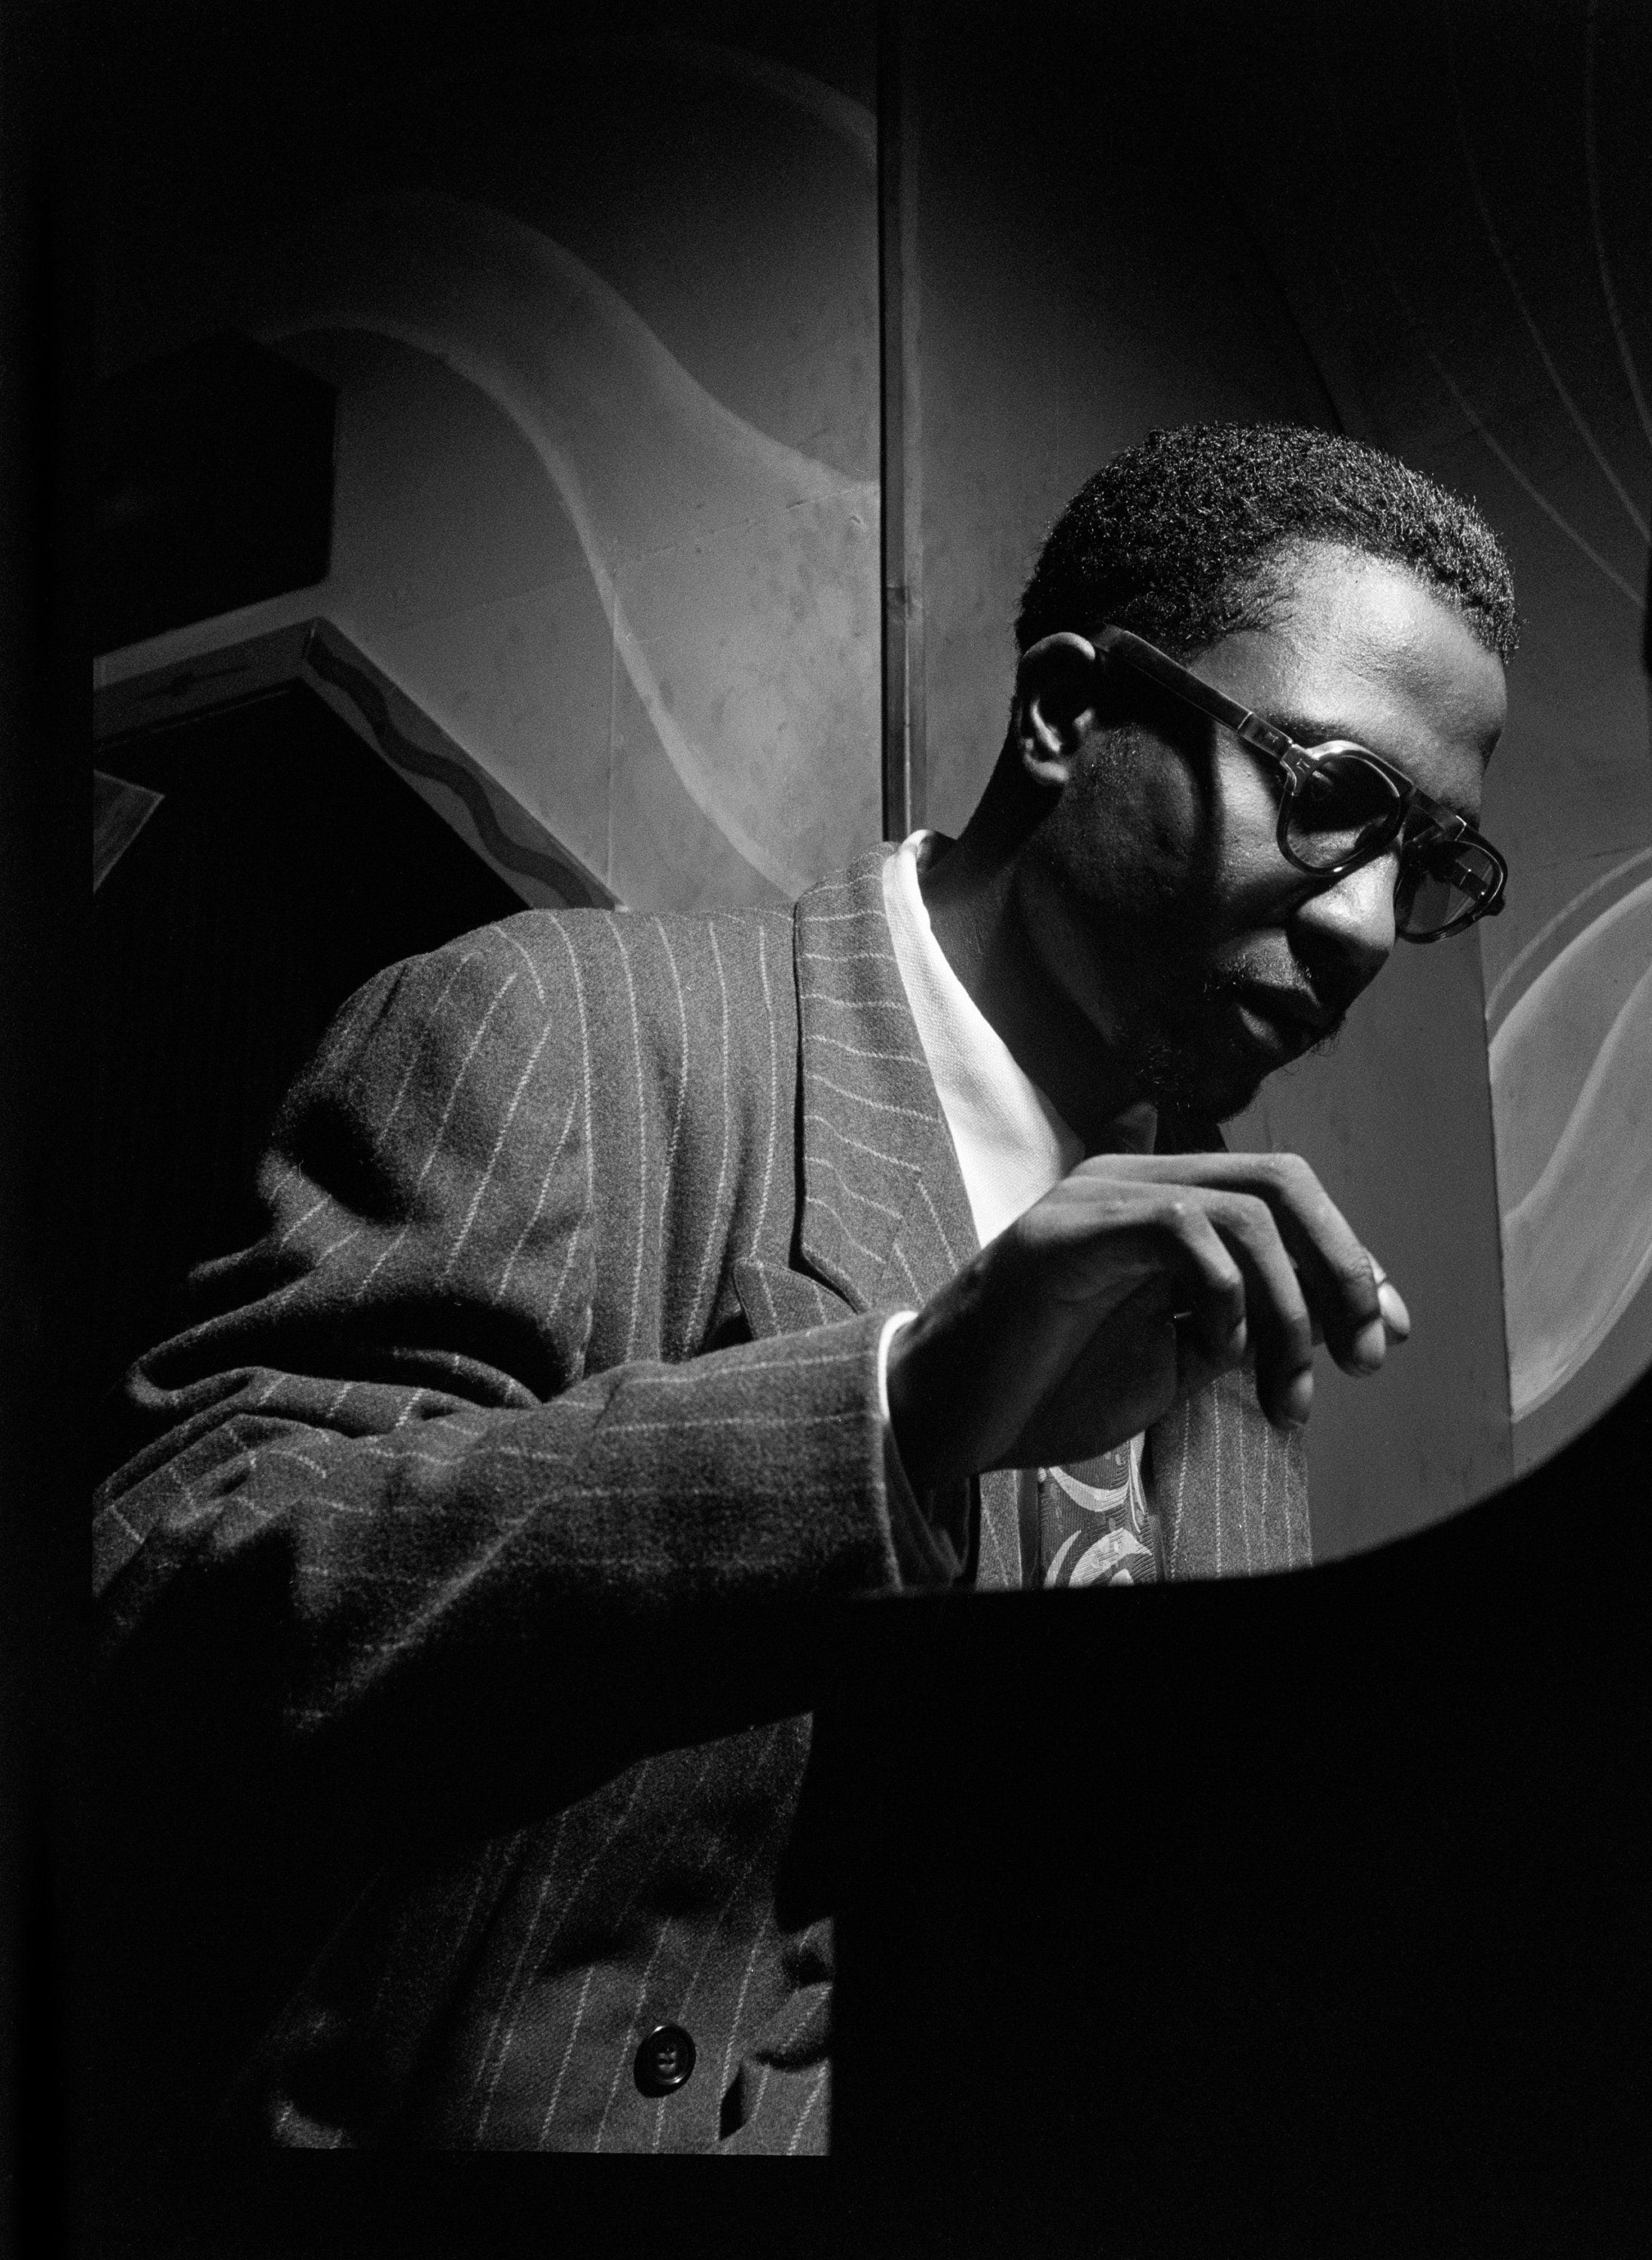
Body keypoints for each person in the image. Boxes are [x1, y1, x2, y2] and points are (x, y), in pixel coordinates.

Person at [89, 422, 1519, 2152]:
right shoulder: (572, 1032)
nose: (1369, 923)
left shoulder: (1215, 1329)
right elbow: (161, 1630)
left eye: (1429, 860)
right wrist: (894, 1410)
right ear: (1067, 713)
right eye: (1330, 796)